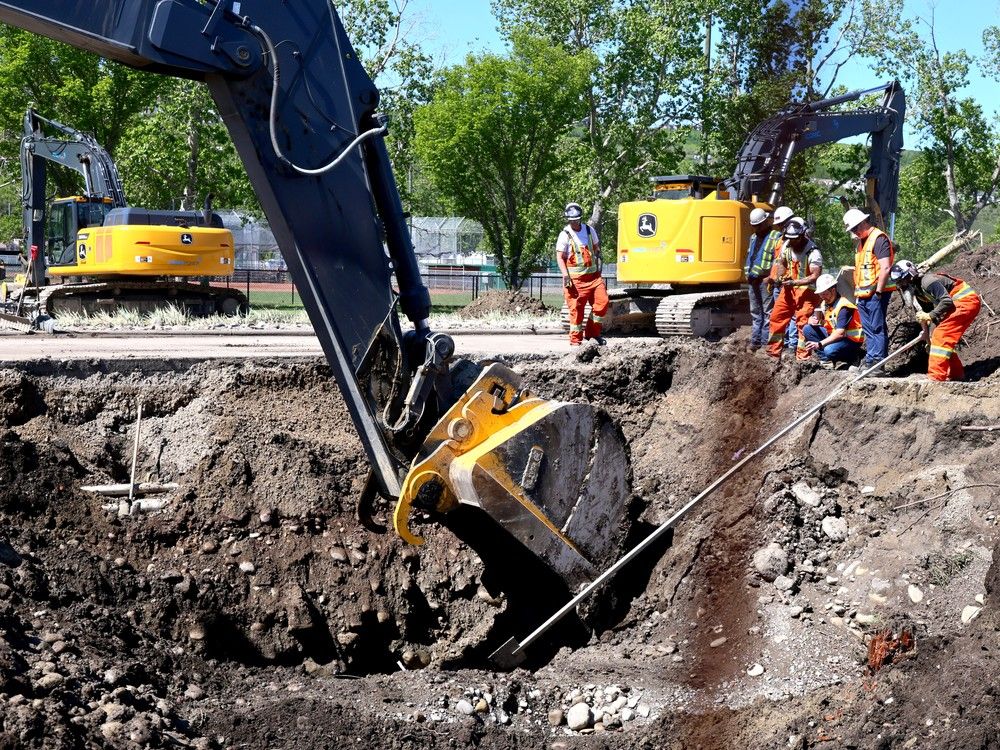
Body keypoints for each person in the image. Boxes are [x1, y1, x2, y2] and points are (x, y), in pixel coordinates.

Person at [890, 259, 982, 381]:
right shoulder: (919, 292)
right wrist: (930, 339)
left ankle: (936, 377)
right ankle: (956, 374)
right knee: (938, 338)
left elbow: (946, 301)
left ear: (911, 275)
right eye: (898, 282)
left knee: (941, 336)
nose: (901, 285)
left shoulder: (928, 282)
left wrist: (930, 316)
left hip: (965, 301)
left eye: (903, 280)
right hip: (957, 304)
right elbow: (933, 317)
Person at [844, 208, 895, 368]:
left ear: (863, 223)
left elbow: (885, 268)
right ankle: (872, 359)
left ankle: (878, 362)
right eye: (852, 230)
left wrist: (879, 291)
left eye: (855, 228)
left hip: (876, 293)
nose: (854, 232)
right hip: (863, 294)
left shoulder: (878, 239)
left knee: (877, 327)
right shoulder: (861, 243)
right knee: (869, 329)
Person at [767, 217, 822, 360]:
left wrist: (795, 282)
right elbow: (782, 263)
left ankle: (802, 358)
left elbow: (815, 276)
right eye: (789, 238)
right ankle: (773, 353)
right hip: (789, 290)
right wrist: (781, 277)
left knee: (803, 323)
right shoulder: (787, 245)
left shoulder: (813, 252)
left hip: (807, 292)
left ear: (802, 235)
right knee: (776, 317)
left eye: (795, 239)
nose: (792, 242)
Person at [556, 202, 608, 346]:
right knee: (576, 311)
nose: (574, 222)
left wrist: (596, 257)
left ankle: (592, 334)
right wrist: (565, 275)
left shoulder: (590, 231)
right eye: (571, 220)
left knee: (602, 303)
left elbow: (596, 250)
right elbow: (560, 257)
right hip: (575, 281)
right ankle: (575, 341)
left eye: (576, 219)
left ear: (580, 218)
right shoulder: (564, 235)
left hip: (593, 278)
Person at [802, 273, 864, 367]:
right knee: (807, 329)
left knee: (829, 350)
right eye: (821, 295)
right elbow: (827, 322)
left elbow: (840, 333)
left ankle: (854, 356)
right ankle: (827, 361)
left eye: (825, 294)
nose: (823, 297)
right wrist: (811, 320)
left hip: (851, 341)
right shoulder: (825, 304)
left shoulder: (844, 306)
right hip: (836, 337)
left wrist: (819, 344)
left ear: (833, 290)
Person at [744, 208, 782, 351]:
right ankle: (755, 342)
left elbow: (778, 260)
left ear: (766, 221)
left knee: (767, 313)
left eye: (758, 225)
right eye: (754, 225)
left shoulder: (775, 236)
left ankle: (765, 342)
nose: (756, 228)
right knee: (755, 312)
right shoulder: (753, 237)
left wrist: (771, 277)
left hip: (766, 281)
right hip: (753, 281)